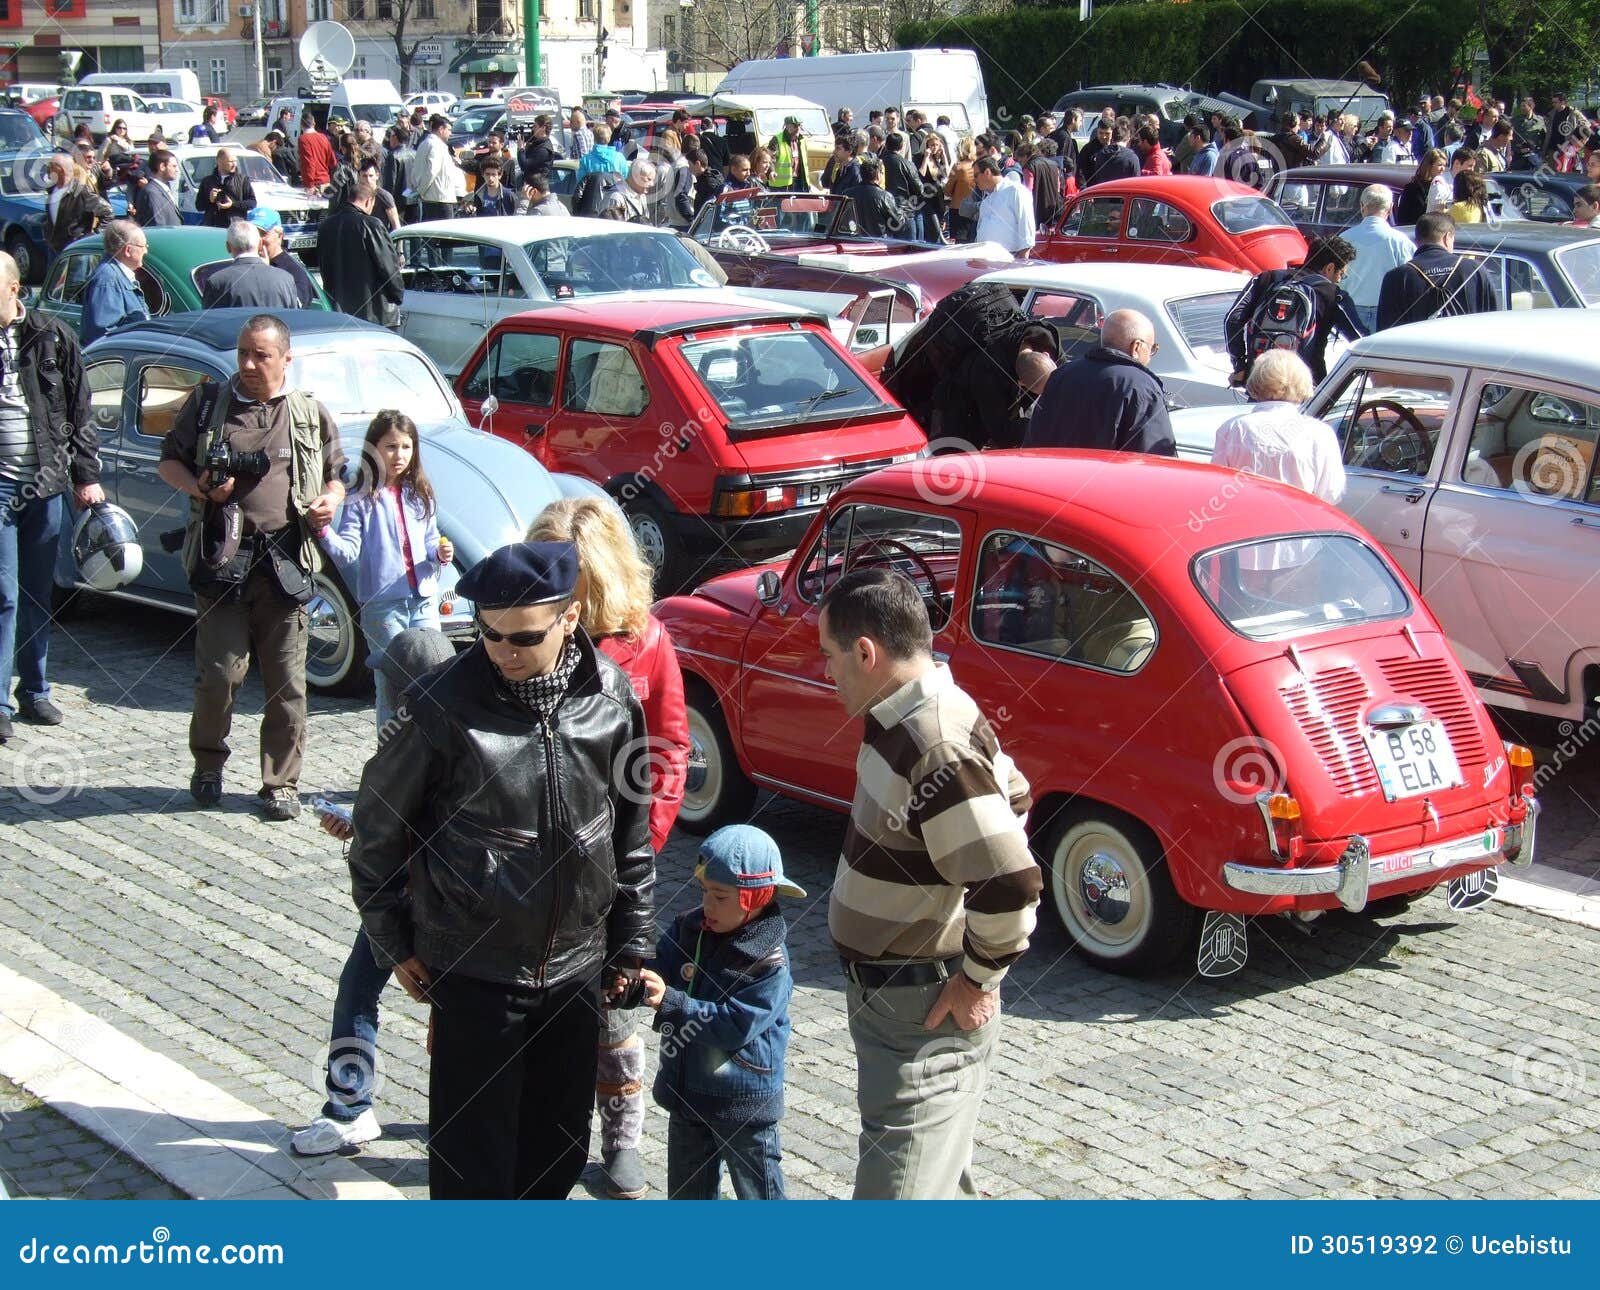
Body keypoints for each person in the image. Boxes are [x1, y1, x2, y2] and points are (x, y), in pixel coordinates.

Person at [346, 539, 655, 1199]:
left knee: (556, 1159)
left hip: (577, 973)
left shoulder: (612, 696)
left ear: (570, 617)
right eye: (488, 633)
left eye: (524, 637)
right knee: (471, 1174)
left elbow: (631, 831)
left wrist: (631, 944)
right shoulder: (439, 705)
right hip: (476, 973)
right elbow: (375, 832)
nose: (503, 651)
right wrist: (393, 941)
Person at [818, 566, 1041, 1200]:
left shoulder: (932, 740)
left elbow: (1009, 883)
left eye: (829, 655)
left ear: (867, 653)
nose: (826, 672)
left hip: (924, 1016)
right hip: (902, 1009)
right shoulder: (911, 713)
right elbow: (1015, 795)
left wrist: (978, 981)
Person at [526, 496, 688, 1201]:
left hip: (614, 867)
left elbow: (670, 746)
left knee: (617, 999)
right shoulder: (521, 633)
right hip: (532, 860)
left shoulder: (646, 639)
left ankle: (621, 1137)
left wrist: (643, 836)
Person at [155, 314, 345, 819]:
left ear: (286, 358)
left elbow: (337, 475)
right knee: (219, 675)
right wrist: (199, 488)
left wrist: (330, 500)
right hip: (222, 560)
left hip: (285, 563)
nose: (248, 364)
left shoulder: (308, 413)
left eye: (261, 355)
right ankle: (208, 764)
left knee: (287, 683)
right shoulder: (208, 403)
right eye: (243, 353)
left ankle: (280, 784)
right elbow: (168, 461)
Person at [291, 626, 456, 1156]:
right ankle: (358, 1108)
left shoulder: (417, 742)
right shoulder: (437, 732)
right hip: (426, 896)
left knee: (376, 997)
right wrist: (360, 827)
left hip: (423, 900)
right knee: (376, 995)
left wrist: (368, 833)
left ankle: (358, 1110)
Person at [639, 824, 797, 1200]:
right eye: (704, 891)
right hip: (687, 1092)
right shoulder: (689, 927)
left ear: (756, 898)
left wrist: (671, 1002)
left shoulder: (769, 961)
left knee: (759, 1193)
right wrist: (632, 982)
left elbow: (735, 1025)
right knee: (687, 1193)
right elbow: (658, 966)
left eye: (720, 896)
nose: (708, 904)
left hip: (743, 1103)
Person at [0, 250, 101, 744]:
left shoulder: (52, 335)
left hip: (44, 483)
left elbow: (80, 408)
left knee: (38, 593)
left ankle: (34, 690)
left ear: (14, 289)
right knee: (3, 593)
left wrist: (86, 475)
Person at [314, 410, 452, 731]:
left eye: (406, 446)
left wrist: (439, 553)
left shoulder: (420, 493)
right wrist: (323, 531)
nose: (399, 455)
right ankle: (390, 751)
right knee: (391, 683)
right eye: (390, 447)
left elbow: (431, 540)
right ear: (374, 449)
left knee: (433, 674)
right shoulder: (361, 498)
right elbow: (347, 553)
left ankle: (427, 748)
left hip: (423, 600)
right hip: (384, 606)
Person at [1024, 309, 1174, 455]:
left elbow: (1034, 440)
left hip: (1052, 470)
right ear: (1136, 347)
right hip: (1106, 473)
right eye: (1152, 348)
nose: (1151, 356)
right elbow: (1154, 458)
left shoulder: (1062, 374)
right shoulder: (1143, 387)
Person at [1211, 349, 1345, 503]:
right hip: (1299, 515)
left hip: (1244, 514)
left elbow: (1218, 485)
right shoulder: (1320, 433)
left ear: (1255, 381)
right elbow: (1331, 493)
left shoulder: (1232, 428)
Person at [1225, 236, 1363, 385]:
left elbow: (1232, 319)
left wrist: (1239, 365)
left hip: (1260, 379)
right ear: (1329, 268)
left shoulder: (1266, 278)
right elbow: (1360, 340)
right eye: (1341, 274)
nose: (1339, 280)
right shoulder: (1335, 295)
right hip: (1306, 385)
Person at [1376, 212, 1498, 329]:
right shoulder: (1475, 270)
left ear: (1416, 241)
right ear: (1447, 237)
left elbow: (1385, 332)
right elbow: (1492, 321)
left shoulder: (1396, 277)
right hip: (1466, 342)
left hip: (1417, 344)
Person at [319, 182, 404, 327]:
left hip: (338, 311)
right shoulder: (372, 225)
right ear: (369, 201)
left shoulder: (326, 225)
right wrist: (398, 294)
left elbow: (322, 265)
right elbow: (388, 266)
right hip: (375, 313)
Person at [1338, 185, 1415, 331]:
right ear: (1391, 208)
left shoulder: (1344, 238)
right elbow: (1409, 279)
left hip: (1350, 310)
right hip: (1387, 311)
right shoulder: (1401, 241)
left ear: (1361, 206)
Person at [200, 221, 301, 310]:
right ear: (260, 244)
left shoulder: (217, 282)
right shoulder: (286, 278)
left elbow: (211, 321)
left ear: (228, 247)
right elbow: (293, 317)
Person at [79, 220, 149, 346]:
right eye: (143, 246)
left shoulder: (117, 275)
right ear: (128, 250)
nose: (146, 251)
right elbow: (104, 334)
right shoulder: (108, 279)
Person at [244, 208, 317, 309]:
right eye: (253, 234)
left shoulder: (294, 271)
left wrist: (265, 274)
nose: (258, 240)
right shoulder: (239, 267)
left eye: (263, 233)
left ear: (280, 235)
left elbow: (294, 308)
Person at [43, 154, 112, 259]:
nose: (48, 169)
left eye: (51, 165)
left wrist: (93, 237)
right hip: (54, 248)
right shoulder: (52, 190)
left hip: (75, 251)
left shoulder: (80, 192)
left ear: (61, 170)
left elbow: (107, 212)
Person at [971, 156, 1035, 256]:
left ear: (987, 172)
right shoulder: (986, 201)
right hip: (985, 258)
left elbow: (1026, 228)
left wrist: (1022, 261)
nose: (974, 180)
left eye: (976, 176)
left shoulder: (1015, 190)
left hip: (1010, 257)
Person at [408, 114, 458, 221]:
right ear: (441, 129)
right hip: (439, 199)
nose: (451, 133)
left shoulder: (425, 143)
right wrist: (421, 191)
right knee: (444, 230)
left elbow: (415, 170)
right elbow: (432, 171)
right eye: (449, 130)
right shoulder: (436, 145)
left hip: (432, 197)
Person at [196, 148, 255, 230]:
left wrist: (232, 205)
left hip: (234, 228)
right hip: (212, 227)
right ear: (219, 161)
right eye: (230, 161)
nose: (234, 164)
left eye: (235, 161)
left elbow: (252, 203)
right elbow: (199, 206)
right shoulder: (207, 181)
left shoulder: (243, 180)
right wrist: (210, 200)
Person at [131, 148, 183, 228]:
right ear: (162, 167)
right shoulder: (152, 193)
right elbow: (157, 226)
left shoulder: (161, 188)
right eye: (174, 166)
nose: (177, 170)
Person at [598, 158, 655, 223]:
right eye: (649, 179)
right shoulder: (616, 197)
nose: (652, 184)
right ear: (636, 177)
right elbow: (609, 225)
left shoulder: (642, 196)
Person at [1397, 149, 1445, 225]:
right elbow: (1402, 219)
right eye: (1440, 165)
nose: (1443, 169)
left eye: (1444, 165)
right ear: (1429, 165)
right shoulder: (1411, 189)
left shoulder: (1442, 187)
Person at [944, 137, 978, 241]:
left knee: (959, 242)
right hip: (975, 208)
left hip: (958, 209)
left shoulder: (958, 167)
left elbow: (947, 191)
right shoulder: (979, 166)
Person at [766, 113, 810, 192]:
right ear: (787, 126)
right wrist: (771, 171)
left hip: (800, 183)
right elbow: (769, 158)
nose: (798, 129)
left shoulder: (802, 140)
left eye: (799, 126)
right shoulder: (777, 140)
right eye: (796, 126)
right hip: (781, 186)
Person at [297, 112, 337, 191]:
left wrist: (309, 185)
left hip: (314, 184)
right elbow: (333, 161)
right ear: (314, 124)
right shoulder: (323, 137)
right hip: (326, 181)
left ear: (301, 125)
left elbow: (308, 162)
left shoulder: (303, 139)